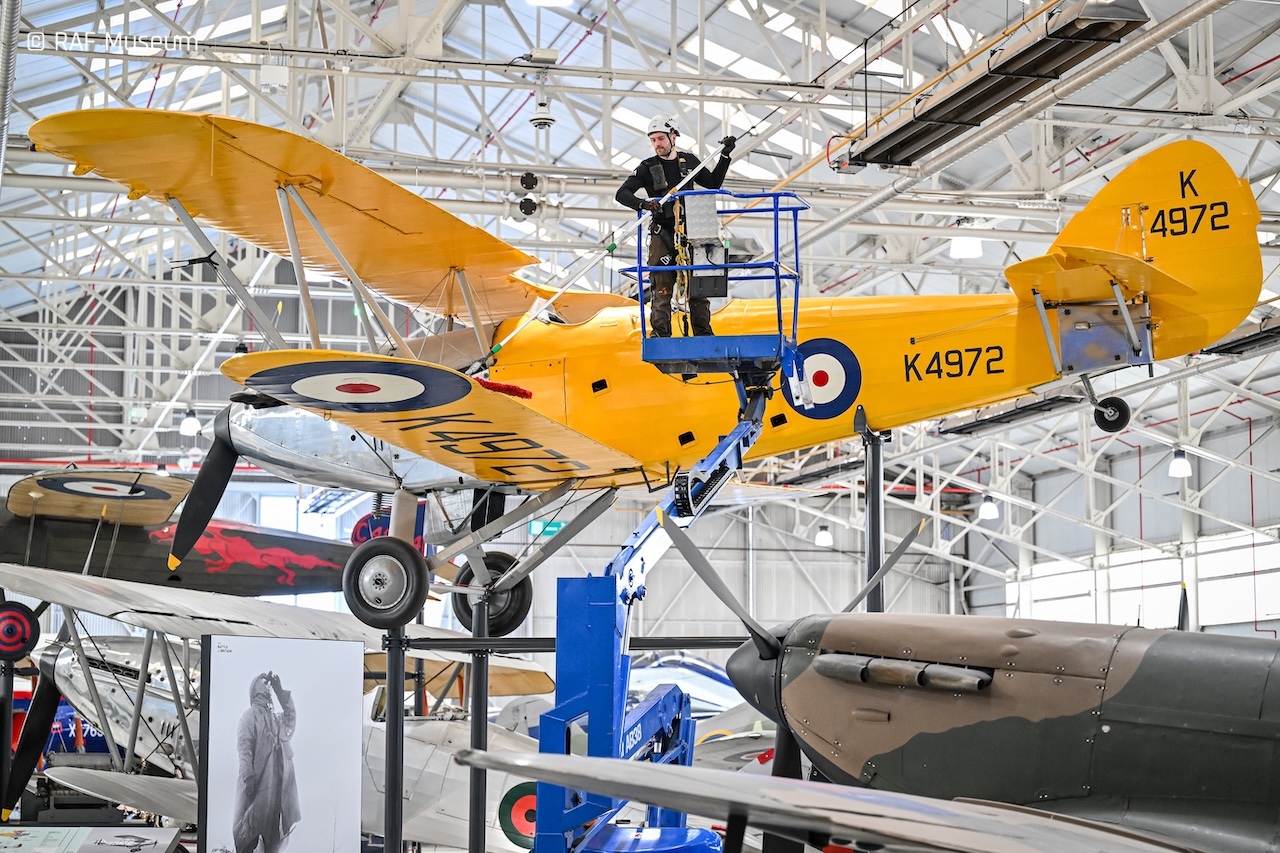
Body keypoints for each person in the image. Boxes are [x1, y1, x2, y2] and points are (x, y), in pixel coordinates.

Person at [616, 115, 735, 337]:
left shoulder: (688, 162)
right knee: (662, 283)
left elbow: (712, 184)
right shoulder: (647, 167)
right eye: (653, 140)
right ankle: (660, 332)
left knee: (697, 281)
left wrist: (725, 156)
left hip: (690, 230)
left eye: (660, 138)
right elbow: (621, 193)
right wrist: (643, 204)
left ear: (673, 137)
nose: (657, 144)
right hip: (663, 232)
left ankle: (703, 332)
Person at [233, 670, 300, 853]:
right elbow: (244, 748)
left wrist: (280, 692)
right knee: (252, 831)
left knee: (273, 836)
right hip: (259, 783)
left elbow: (290, 719)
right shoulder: (249, 716)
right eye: (264, 682)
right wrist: (248, 778)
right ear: (255, 688)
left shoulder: (276, 718)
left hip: (279, 787)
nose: (268, 685)